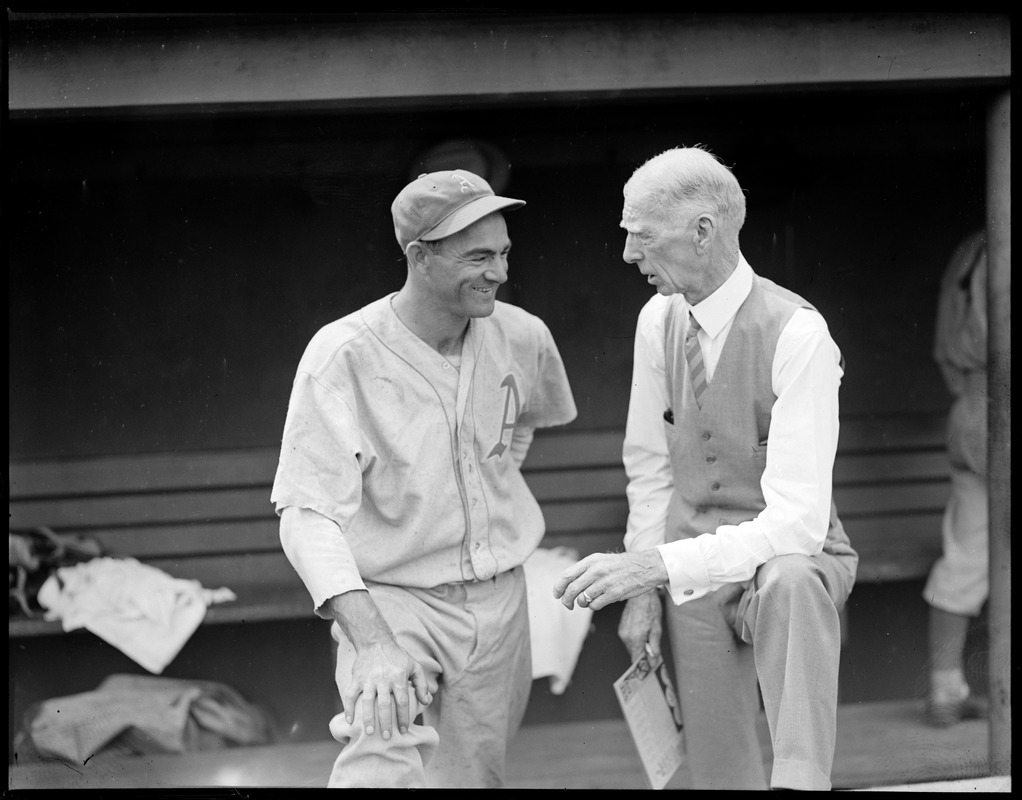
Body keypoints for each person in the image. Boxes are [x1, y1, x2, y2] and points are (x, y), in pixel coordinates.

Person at [553, 146, 859, 791]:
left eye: (641, 236)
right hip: (691, 567)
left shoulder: (799, 334)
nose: (630, 255)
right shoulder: (656, 318)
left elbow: (799, 526)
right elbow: (649, 466)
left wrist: (654, 567)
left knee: (791, 579)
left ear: (702, 230)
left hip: (783, 567)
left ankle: (803, 783)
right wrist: (643, 591)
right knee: (720, 771)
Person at [271, 168, 577, 788]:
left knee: (472, 779)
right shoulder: (343, 354)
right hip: (394, 598)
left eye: (505, 253)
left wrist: (484, 489)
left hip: (499, 601)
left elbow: (522, 425)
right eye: (479, 257)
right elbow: (307, 515)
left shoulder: (522, 334)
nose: (500, 272)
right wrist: (373, 641)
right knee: (379, 763)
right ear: (419, 257)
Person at [921, 228, 989, 727]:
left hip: (970, 403)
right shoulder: (1003, 242)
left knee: (967, 555)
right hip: (1001, 402)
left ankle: (946, 689)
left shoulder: (972, 245)